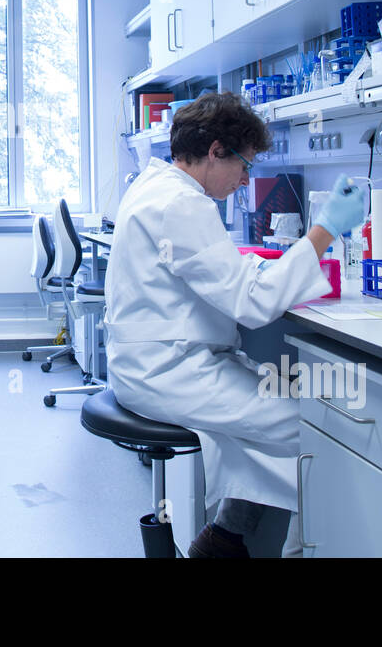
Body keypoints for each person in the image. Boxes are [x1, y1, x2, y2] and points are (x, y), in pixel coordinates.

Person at [103, 92, 366, 557]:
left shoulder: (156, 187)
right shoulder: (181, 205)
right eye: (244, 164)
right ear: (216, 150)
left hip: (158, 363)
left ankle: (223, 538)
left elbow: (223, 278)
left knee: (274, 411)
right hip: (172, 372)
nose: (246, 180)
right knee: (313, 426)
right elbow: (251, 302)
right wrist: (324, 231)